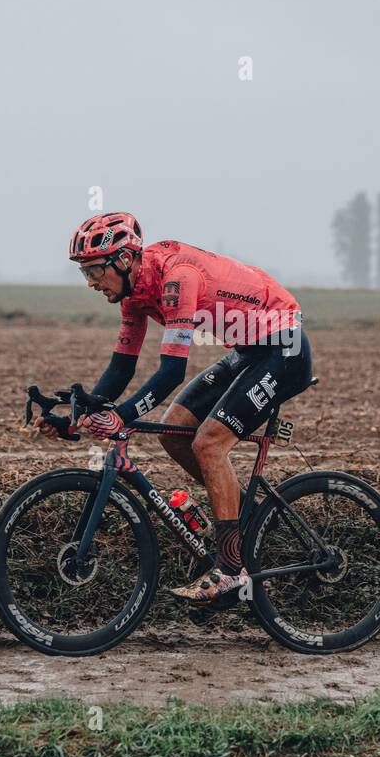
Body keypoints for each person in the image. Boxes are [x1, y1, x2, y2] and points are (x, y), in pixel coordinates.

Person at [33, 212, 313, 603]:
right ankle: (235, 514)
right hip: (249, 349)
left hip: (285, 349)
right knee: (172, 431)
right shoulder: (133, 295)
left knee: (209, 444)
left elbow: (172, 371)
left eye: (96, 271)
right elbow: (121, 367)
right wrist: (75, 418)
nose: (92, 283)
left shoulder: (177, 277)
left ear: (125, 259)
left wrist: (123, 416)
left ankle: (231, 569)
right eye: (86, 274)